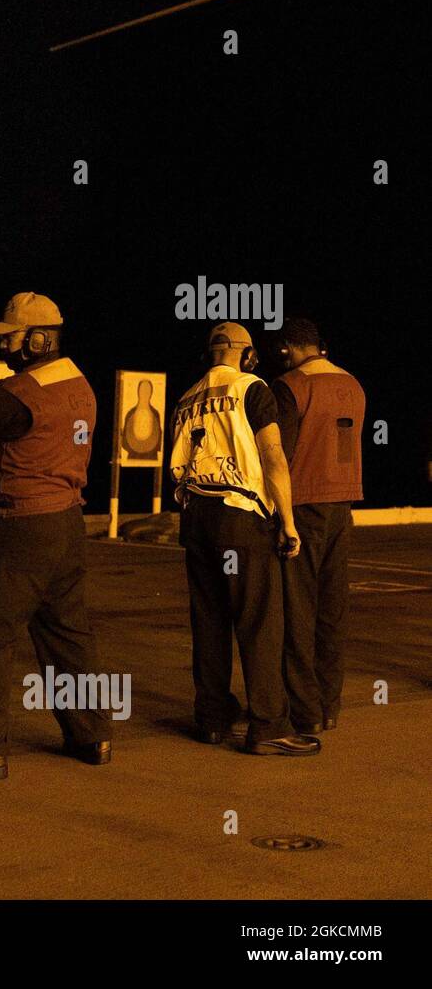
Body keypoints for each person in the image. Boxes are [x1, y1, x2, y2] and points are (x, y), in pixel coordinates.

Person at [0, 293, 113, 780]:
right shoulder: (84, 386)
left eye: (9, 338)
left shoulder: (14, 393)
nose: (3, 347)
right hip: (68, 524)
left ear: (37, 338)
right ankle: (92, 736)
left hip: (19, 524)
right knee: (68, 635)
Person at [170, 322, 320, 755]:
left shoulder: (187, 397)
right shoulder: (251, 388)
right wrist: (287, 522)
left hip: (196, 518)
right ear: (248, 354)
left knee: (210, 620)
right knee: (259, 621)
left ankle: (213, 718)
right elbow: (272, 456)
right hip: (239, 518)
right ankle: (269, 725)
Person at [271, 318, 365, 733]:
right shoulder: (353, 385)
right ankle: (329, 705)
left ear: (290, 347)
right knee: (332, 611)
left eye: (283, 350)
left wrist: (279, 515)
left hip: (304, 505)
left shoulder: (291, 384)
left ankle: (303, 711)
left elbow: (280, 453)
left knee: (298, 611)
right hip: (342, 504)